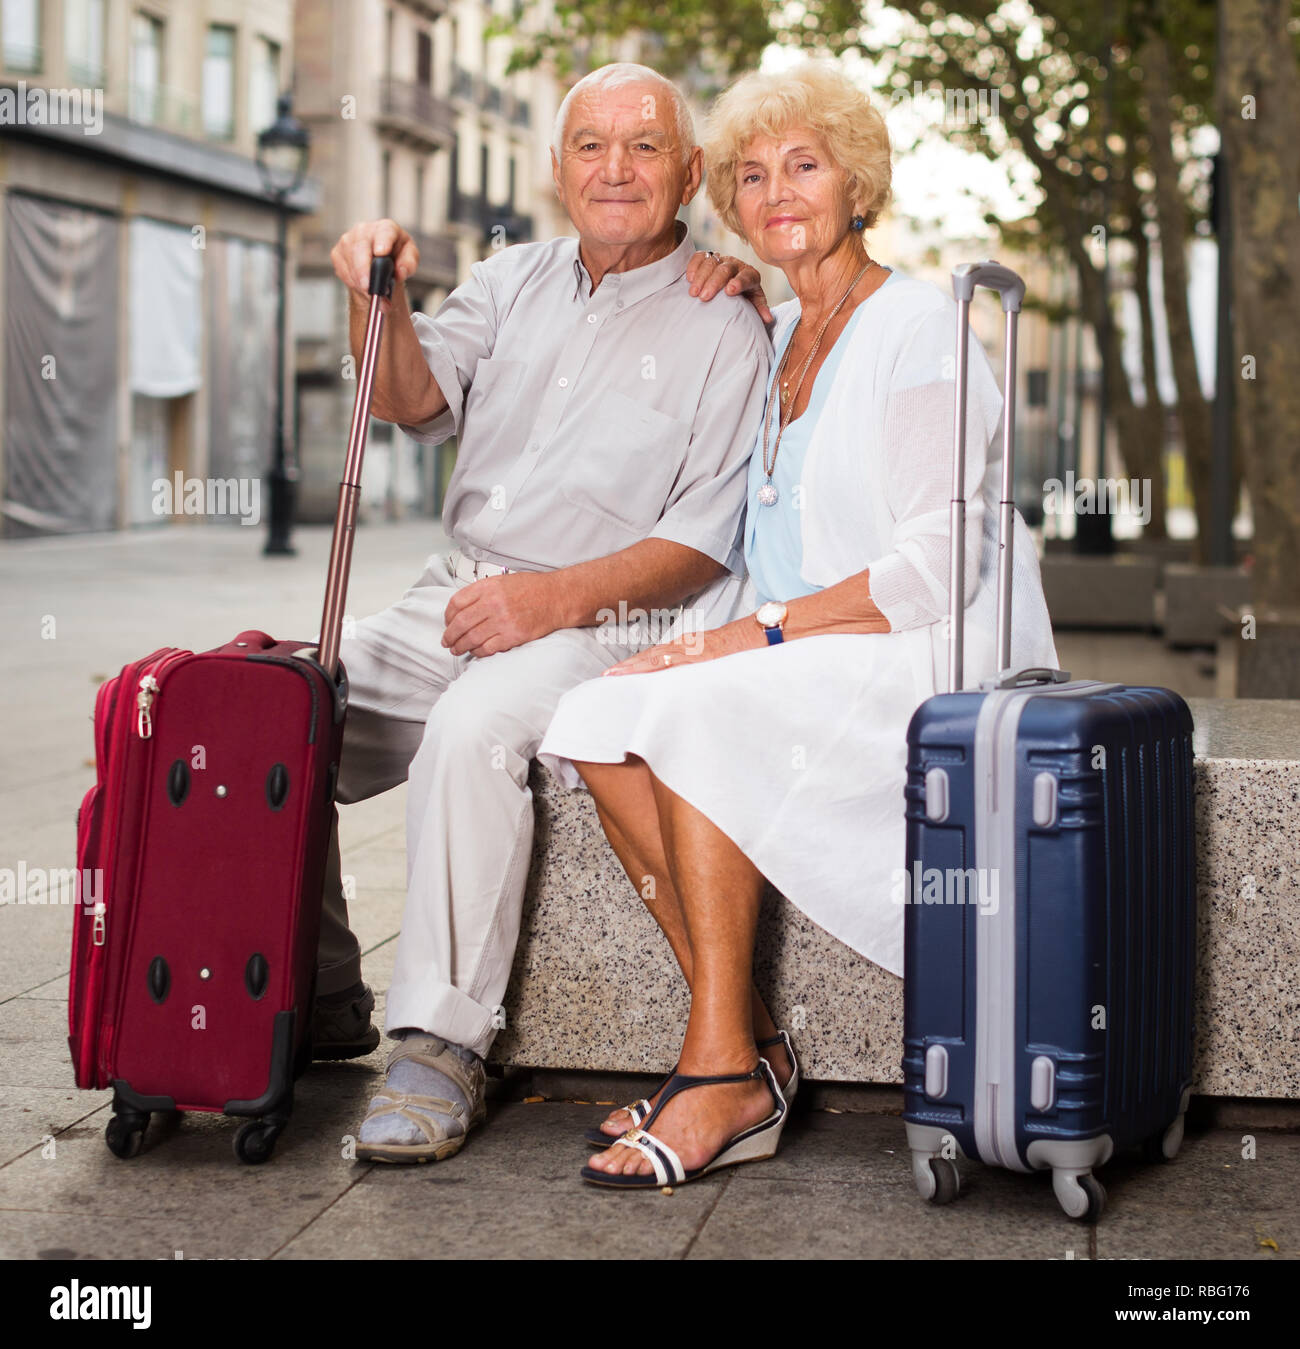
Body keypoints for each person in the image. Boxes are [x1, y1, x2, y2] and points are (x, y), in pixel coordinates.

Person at [537, 60, 1059, 1189]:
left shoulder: (918, 326)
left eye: (805, 166)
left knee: (698, 702)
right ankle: (745, 1044)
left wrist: (751, 636)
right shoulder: (770, 331)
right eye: (753, 173)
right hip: (802, 644)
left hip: (913, 651)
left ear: (856, 186)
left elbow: (934, 563)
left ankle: (720, 1066)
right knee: (587, 712)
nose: (778, 191)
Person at [315, 61, 775, 1163]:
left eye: (644, 146)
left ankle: (440, 1040)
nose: (615, 169)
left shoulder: (728, 321)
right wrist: (372, 294)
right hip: (462, 589)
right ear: (557, 166)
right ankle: (314, 989)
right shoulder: (507, 279)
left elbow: (700, 542)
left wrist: (547, 599)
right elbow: (411, 400)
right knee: (288, 705)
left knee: (473, 731)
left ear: (690, 171)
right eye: (591, 145)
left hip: (602, 619)